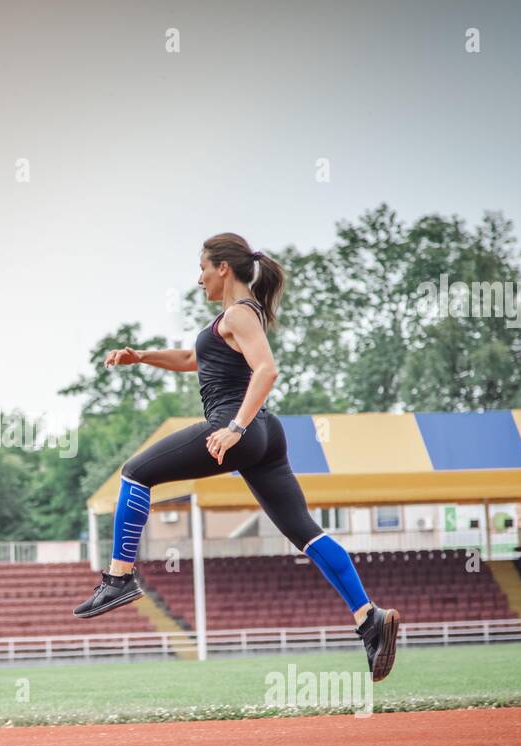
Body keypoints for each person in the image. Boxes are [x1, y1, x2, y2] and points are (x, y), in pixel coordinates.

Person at [72, 233, 400, 682]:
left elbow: (267, 369)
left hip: (238, 429)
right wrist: (140, 356)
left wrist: (234, 427)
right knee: (305, 531)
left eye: (202, 267)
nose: (199, 277)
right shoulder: (235, 318)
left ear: (223, 268)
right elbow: (192, 358)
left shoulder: (241, 314)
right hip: (267, 436)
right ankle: (368, 618)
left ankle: (118, 579)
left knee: (134, 474)